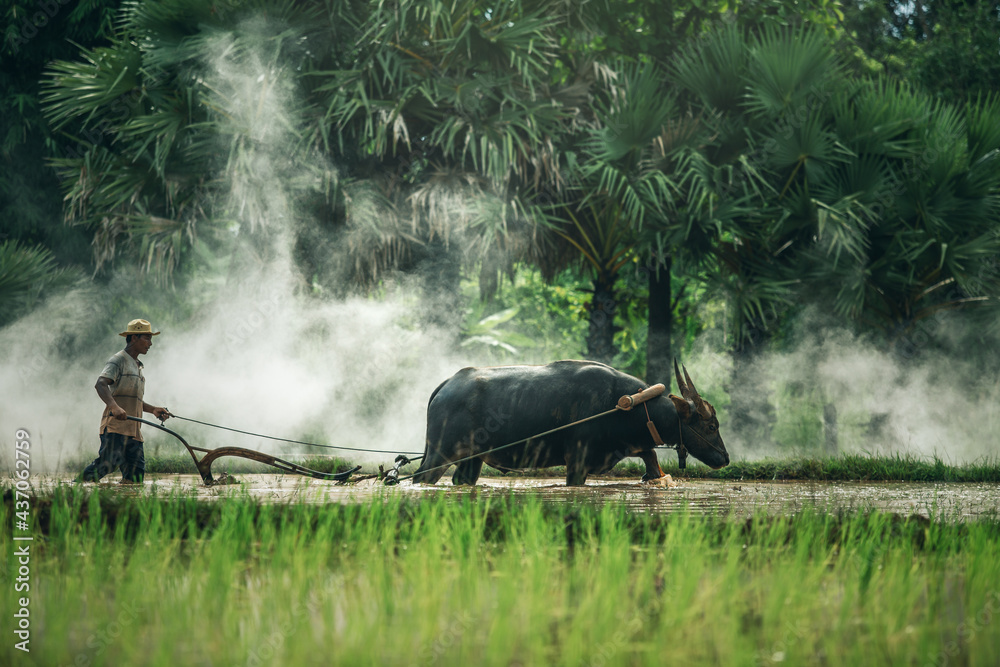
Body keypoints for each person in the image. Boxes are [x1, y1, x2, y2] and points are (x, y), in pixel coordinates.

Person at [79, 319, 171, 484]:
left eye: (151, 339)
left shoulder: (138, 366)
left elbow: (134, 400)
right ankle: (74, 490)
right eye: (147, 338)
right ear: (134, 338)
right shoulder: (118, 360)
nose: (150, 343)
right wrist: (114, 407)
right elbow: (100, 384)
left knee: (135, 478)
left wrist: (153, 410)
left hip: (134, 433)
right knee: (106, 465)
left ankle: (126, 505)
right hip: (116, 428)